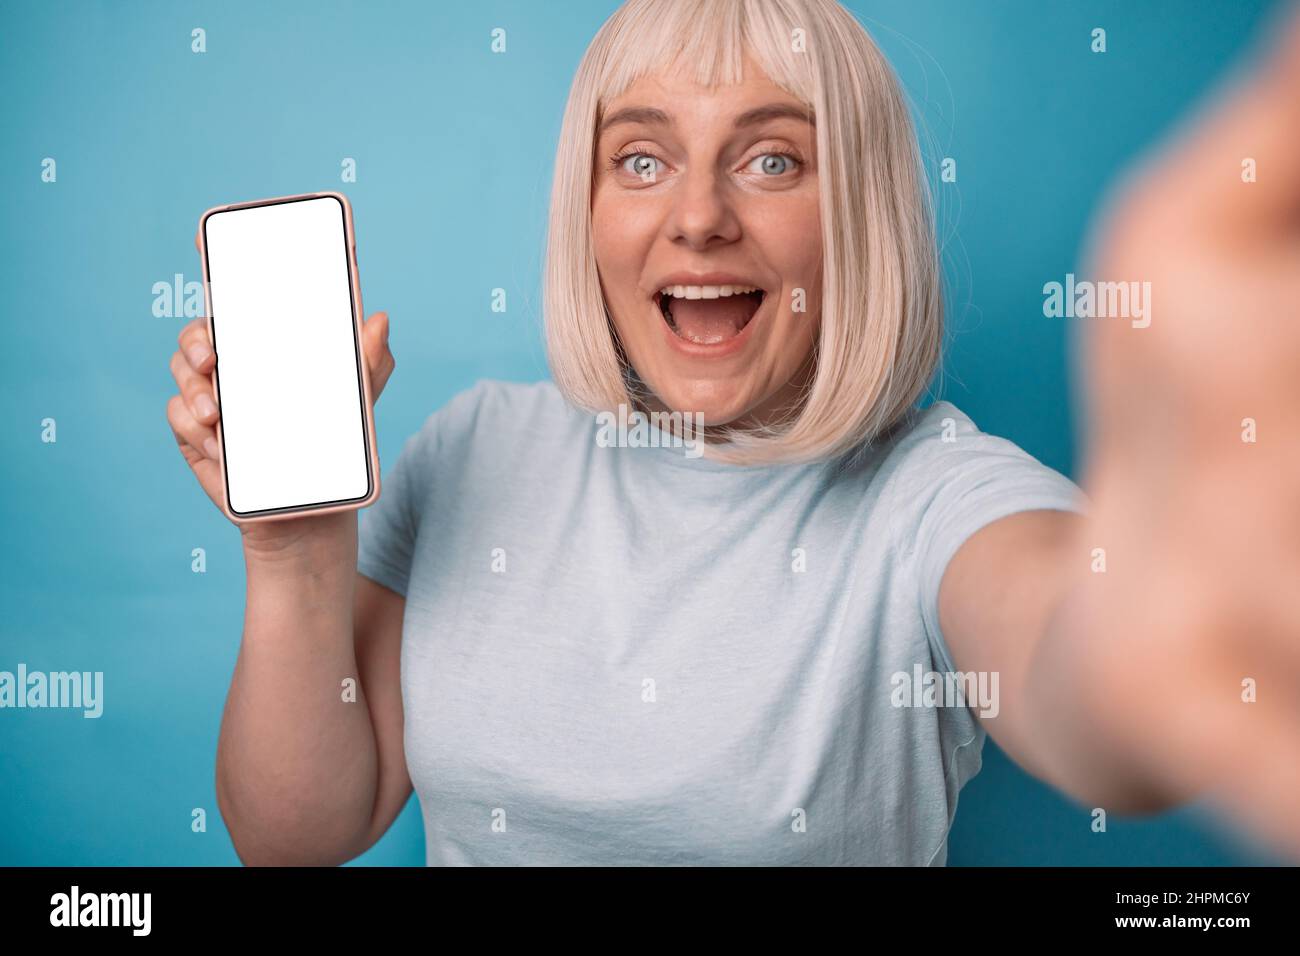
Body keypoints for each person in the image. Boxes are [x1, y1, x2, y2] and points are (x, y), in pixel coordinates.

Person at [166, 0, 1300, 865]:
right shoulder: (473, 447)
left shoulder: (934, 494)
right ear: (590, 210)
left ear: (856, 211)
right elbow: (299, 832)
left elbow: (1072, 657)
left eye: (771, 158)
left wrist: (1163, 592)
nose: (699, 215)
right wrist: (295, 552)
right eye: (643, 159)